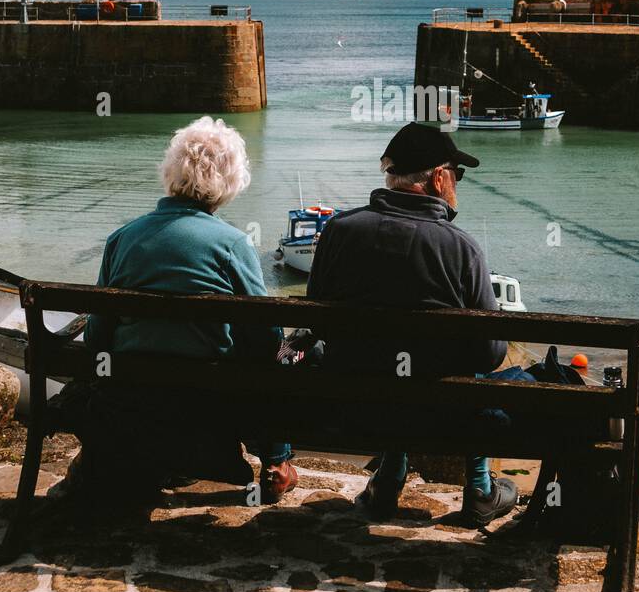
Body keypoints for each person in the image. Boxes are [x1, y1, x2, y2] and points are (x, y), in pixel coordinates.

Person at [70, 116, 296, 505]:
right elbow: (265, 336)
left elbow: (97, 335)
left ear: (171, 171)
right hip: (209, 400)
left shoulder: (121, 239)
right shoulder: (233, 244)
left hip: (130, 395)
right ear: (230, 181)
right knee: (275, 362)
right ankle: (276, 463)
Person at [307, 122, 519, 527]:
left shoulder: (338, 231)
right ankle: (479, 488)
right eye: (458, 174)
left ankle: (388, 478)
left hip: (349, 408)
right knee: (470, 372)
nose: (458, 184)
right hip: (444, 417)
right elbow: (491, 353)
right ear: (439, 177)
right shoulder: (460, 247)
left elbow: (317, 320)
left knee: (388, 368)